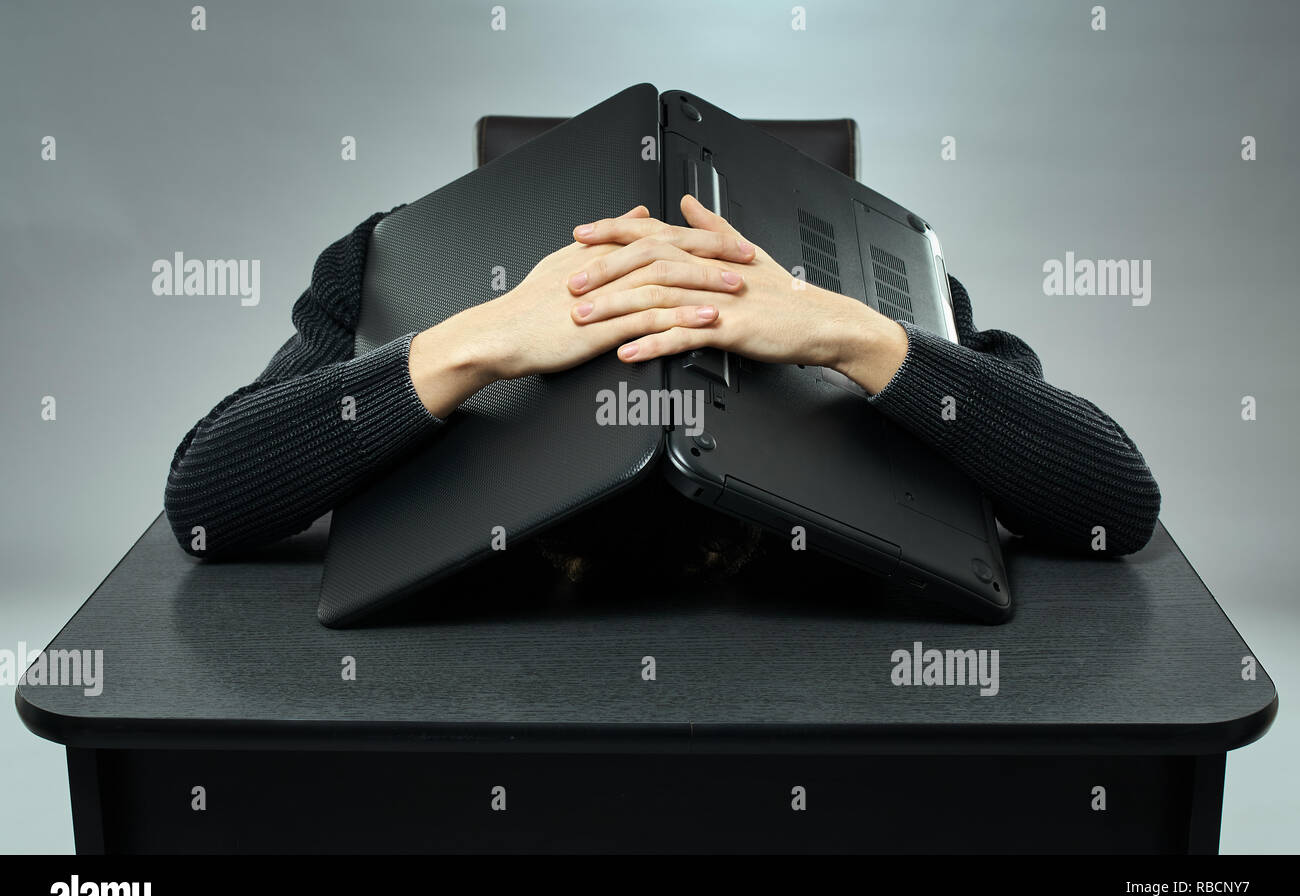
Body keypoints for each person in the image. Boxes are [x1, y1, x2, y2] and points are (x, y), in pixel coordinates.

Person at [163, 194, 1161, 583]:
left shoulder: (882, 282)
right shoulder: (381, 263)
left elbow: (1111, 505)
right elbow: (209, 500)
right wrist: (476, 340)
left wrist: (844, 329)